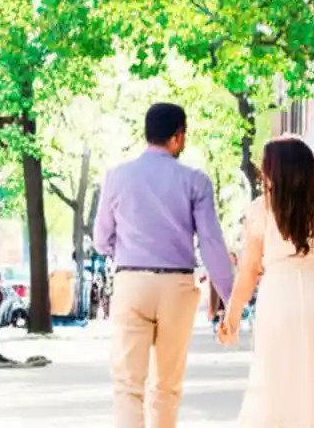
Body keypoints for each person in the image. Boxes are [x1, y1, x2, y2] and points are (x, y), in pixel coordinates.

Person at [94, 103, 236, 428]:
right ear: (178, 136)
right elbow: (212, 244)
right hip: (177, 286)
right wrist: (230, 299)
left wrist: (128, 252)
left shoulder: (117, 176)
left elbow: (102, 239)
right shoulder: (195, 181)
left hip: (132, 283)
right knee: (167, 385)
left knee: (129, 386)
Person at [218, 135, 314, 427]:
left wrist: (231, 316)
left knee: (274, 381)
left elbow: (249, 270)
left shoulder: (260, 210)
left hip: (278, 297)